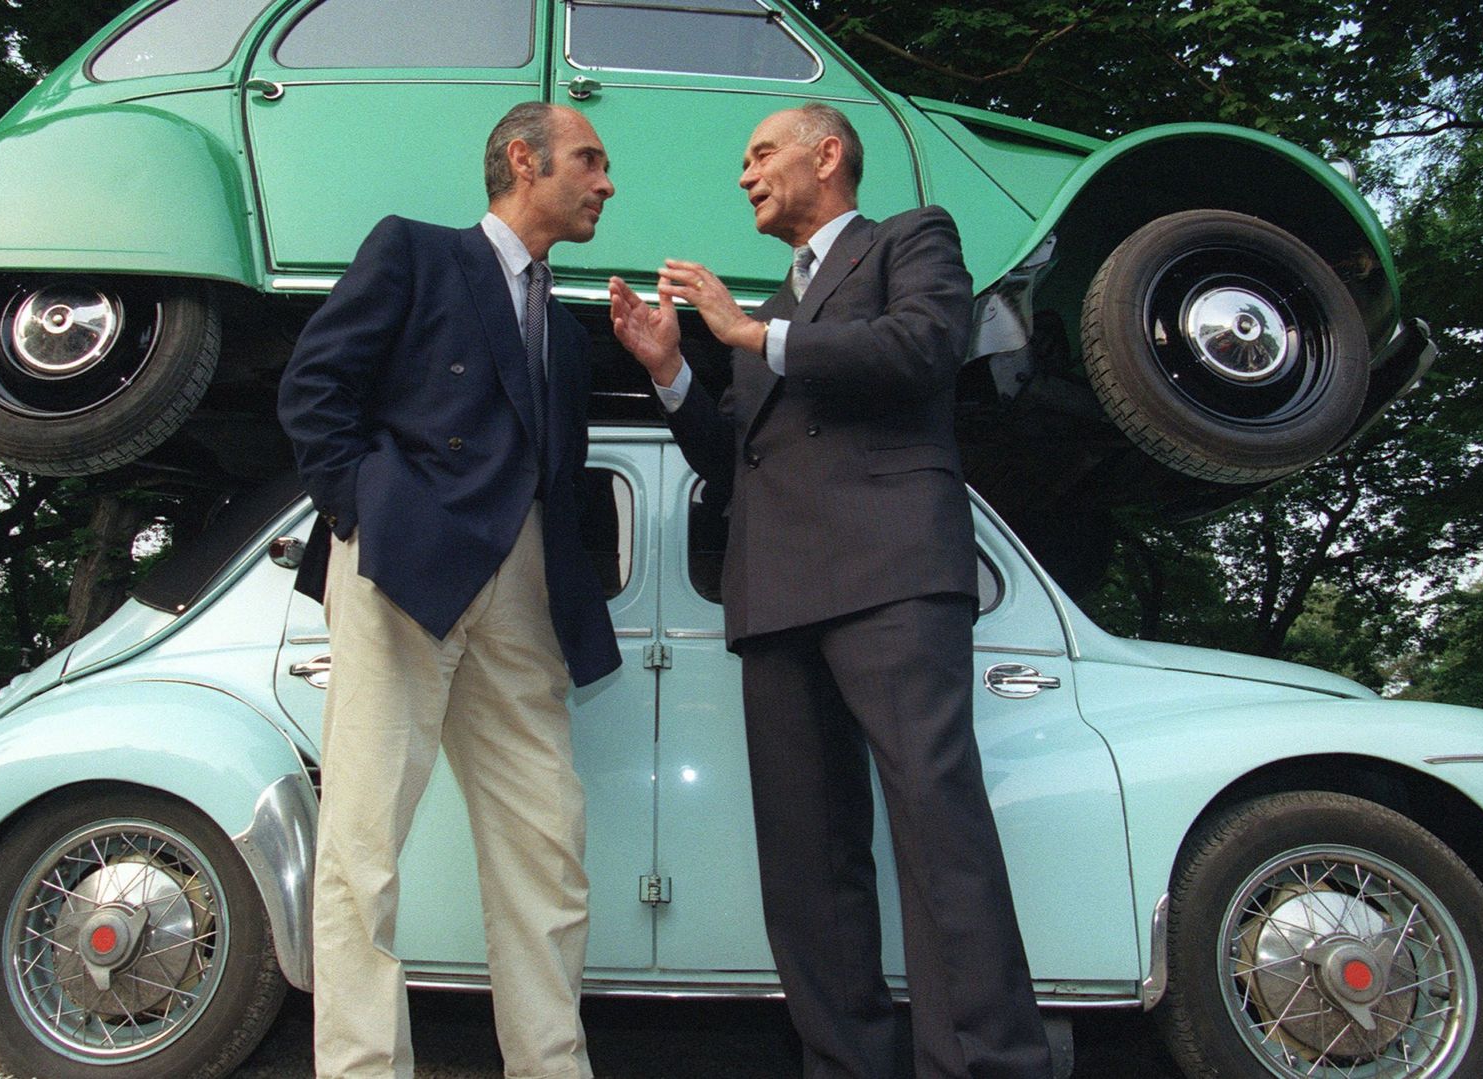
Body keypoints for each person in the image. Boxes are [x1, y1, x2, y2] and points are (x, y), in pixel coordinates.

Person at [608, 103, 1051, 1078]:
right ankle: (847, 1061)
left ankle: (984, 1062)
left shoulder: (911, 241)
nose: (745, 174)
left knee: (939, 832)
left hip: (891, 579)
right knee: (807, 864)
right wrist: (675, 366)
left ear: (828, 153)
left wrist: (753, 334)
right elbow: (735, 460)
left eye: (759, 152)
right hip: (774, 597)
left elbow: (922, 349)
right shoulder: (769, 310)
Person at [279, 102, 621, 1079]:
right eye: (591, 161)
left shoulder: (563, 325)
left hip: (523, 598)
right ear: (524, 160)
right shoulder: (416, 253)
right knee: (363, 847)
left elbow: (558, 477)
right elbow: (315, 389)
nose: (606, 183)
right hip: (404, 572)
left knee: (547, 847)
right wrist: (369, 517)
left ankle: (552, 1066)